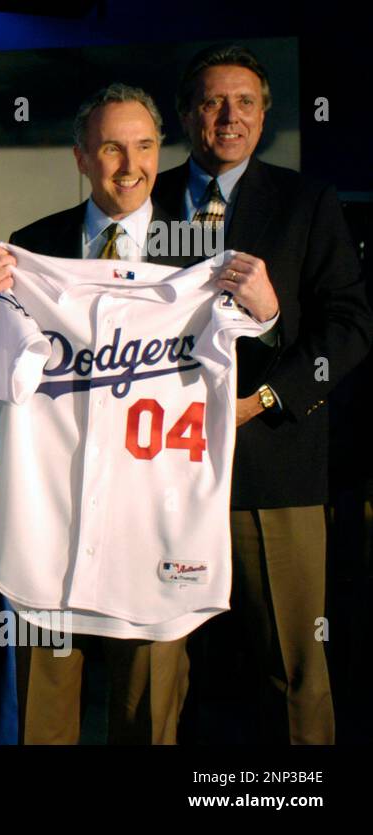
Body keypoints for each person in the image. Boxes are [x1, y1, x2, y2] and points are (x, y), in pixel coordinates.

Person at [149, 44, 371, 744]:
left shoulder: (307, 203)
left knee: (296, 667)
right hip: (156, 475)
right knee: (153, 669)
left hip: (272, 467)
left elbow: (350, 323)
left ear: (266, 114)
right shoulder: (136, 205)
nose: (228, 116)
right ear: (186, 113)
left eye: (245, 102)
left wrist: (268, 395)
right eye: (213, 101)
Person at [0, 83, 201, 744]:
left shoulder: (197, 253)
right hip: (53, 511)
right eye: (110, 147)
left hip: (155, 514)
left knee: (148, 697)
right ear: (80, 157)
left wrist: (265, 312)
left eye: (145, 146)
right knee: (45, 699)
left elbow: (258, 341)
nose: (130, 164)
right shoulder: (33, 246)